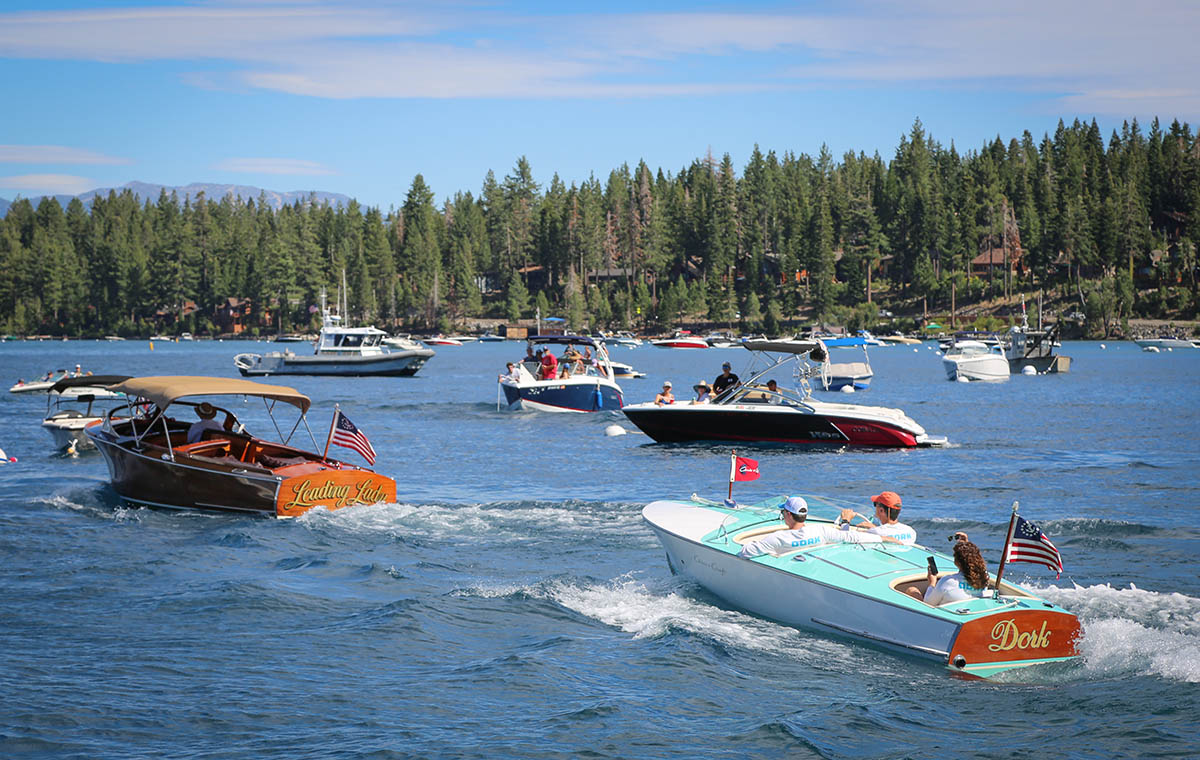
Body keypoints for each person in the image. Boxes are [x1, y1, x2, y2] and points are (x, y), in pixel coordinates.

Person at [738, 496, 901, 558]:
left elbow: (745, 553)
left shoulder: (777, 537)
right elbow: (852, 536)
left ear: (788, 514)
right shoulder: (820, 531)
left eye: (783, 511)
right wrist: (883, 538)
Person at [921, 539, 990, 606]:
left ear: (957, 562)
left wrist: (932, 583)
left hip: (946, 615)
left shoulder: (948, 581)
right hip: (973, 610)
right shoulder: (984, 577)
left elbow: (928, 603)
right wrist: (966, 544)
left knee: (912, 590)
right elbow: (969, 561)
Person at [837, 491, 917, 545]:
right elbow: (890, 532)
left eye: (875, 504)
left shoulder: (875, 533)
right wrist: (876, 528)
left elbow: (845, 538)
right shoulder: (911, 532)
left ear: (881, 510)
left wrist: (845, 520)